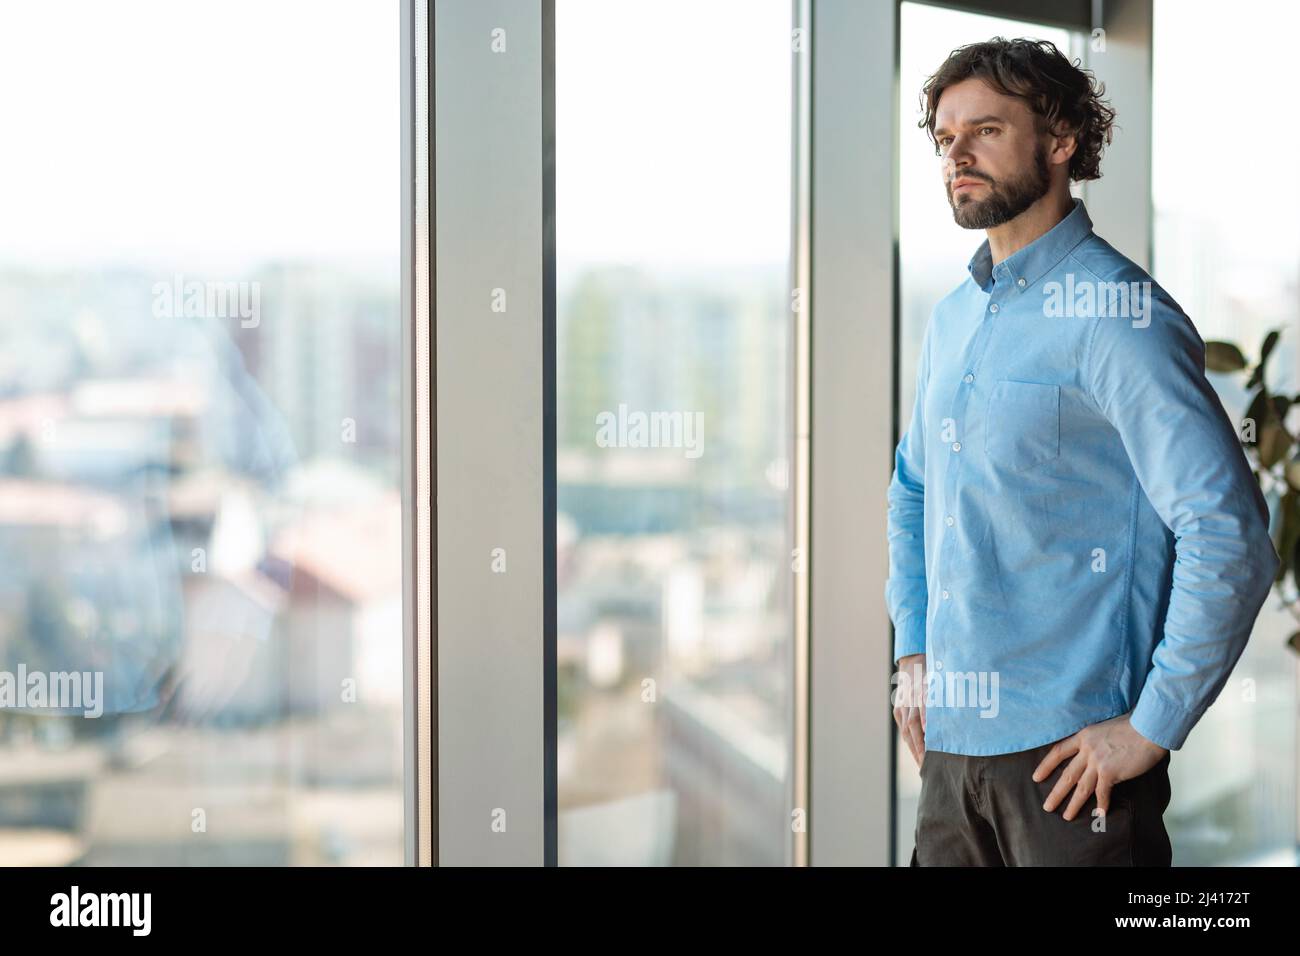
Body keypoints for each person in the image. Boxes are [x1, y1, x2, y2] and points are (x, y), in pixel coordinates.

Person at [887, 37, 1279, 866]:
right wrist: (914, 652)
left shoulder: (1119, 316)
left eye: (985, 130)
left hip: (1074, 777)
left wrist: (1151, 728)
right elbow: (913, 489)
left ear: (1061, 140)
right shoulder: (952, 318)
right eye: (944, 136)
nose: (956, 153)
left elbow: (1227, 530)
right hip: (950, 760)